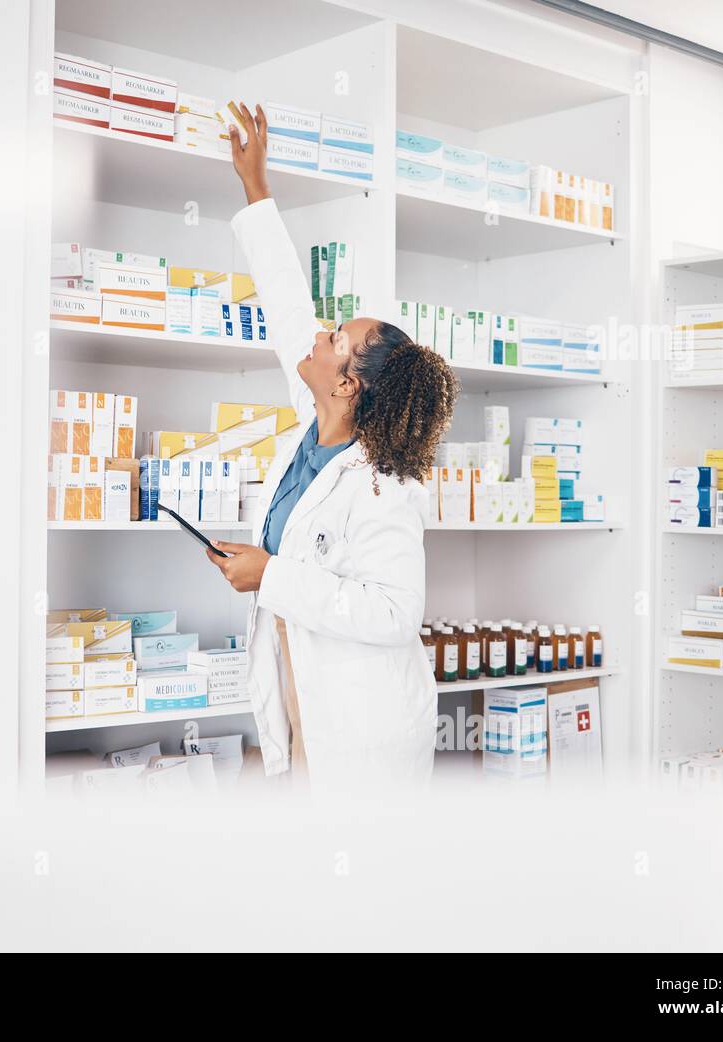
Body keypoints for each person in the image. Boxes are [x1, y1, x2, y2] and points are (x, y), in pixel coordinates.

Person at [204, 102, 458, 796]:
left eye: (335, 337)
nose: (318, 335)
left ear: (348, 383)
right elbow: (289, 308)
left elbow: (395, 612)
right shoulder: (309, 428)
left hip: (364, 730)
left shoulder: (385, 487)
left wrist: (270, 576)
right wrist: (256, 187)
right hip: (305, 700)